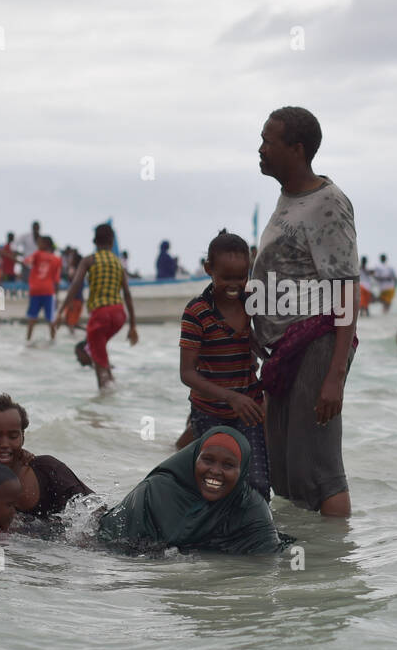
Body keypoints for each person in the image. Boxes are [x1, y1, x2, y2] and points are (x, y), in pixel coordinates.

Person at [251, 105, 358, 517]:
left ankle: (336, 563)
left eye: (268, 141)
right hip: (283, 352)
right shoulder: (288, 198)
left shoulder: (327, 202)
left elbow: (347, 289)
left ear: (297, 149)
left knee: (320, 470)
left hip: (316, 345)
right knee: (288, 471)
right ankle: (305, 568)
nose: (260, 149)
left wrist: (335, 376)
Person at [95, 427, 287, 555]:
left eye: (228, 465)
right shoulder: (153, 493)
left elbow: (266, 562)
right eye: (208, 460)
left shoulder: (250, 508)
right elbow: (110, 546)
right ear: (193, 459)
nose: (215, 471)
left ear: (243, 470)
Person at [178, 230, 269, 499]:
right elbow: (187, 374)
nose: (234, 284)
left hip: (249, 409)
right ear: (208, 269)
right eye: (225, 277)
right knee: (213, 482)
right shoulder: (197, 313)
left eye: (241, 278)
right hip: (209, 412)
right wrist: (231, 397)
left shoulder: (251, 302)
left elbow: (255, 342)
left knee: (258, 483)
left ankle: (258, 535)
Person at [0, 394, 93, 516]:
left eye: (13, 436)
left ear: (22, 437)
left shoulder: (48, 470)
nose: (4, 444)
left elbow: (94, 508)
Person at [54, 223, 138, 388]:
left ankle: (105, 398)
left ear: (94, 241)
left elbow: (75, 285)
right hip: (119, 315)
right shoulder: (118, 263)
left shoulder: (89, 260)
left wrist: (60, 311)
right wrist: (133, 326)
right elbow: (127, 295)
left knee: (99, 365)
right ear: (112, 241)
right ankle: (113, 390)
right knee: (100, 354)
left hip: (101, 315)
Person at [22, 235, 62, 341]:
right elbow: (57, 280)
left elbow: (26, 262)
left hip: (35, 290)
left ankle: (28, 340)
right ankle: (53, 340)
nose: (37, 245)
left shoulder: (37, 254)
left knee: (32, 318)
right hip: (49, 291)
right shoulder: (57, 259)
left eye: (39, 242)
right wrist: (56, 297)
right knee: (51, 319)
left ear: (45, 244)